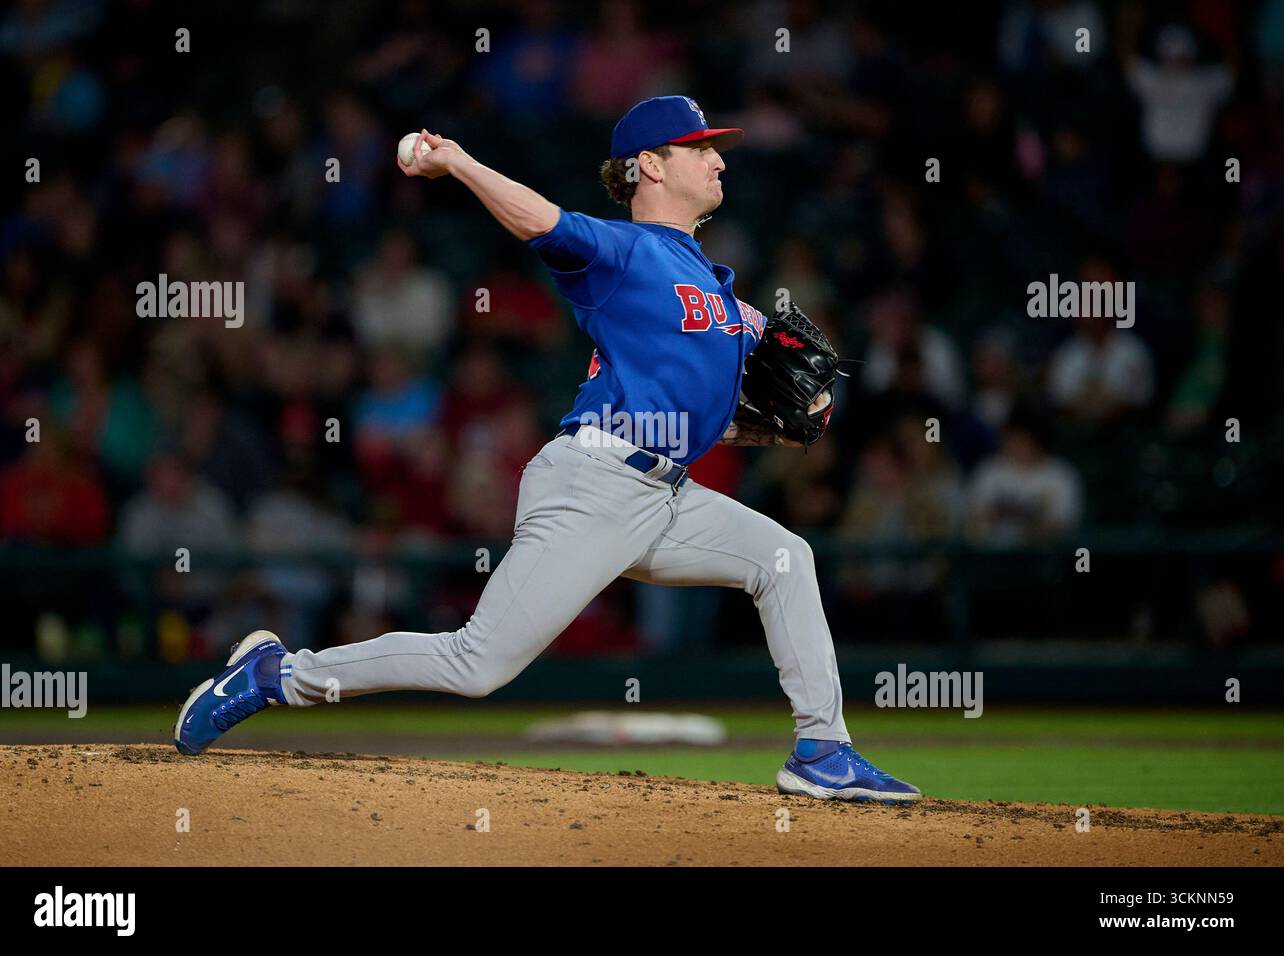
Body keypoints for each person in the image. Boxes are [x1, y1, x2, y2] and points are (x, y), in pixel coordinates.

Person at [175, 95, 920, 804]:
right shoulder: (625, 250)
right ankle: (276, 675)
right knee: (477, 664)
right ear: (650, 166)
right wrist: (460, 164)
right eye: (700, 149)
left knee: (786, 558)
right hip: (594, 484)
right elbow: (544, 222)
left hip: (663, 492)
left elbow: (700, 415)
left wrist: (778, 425)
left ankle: (821, 751)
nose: (718, 161)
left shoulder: (718, 290)